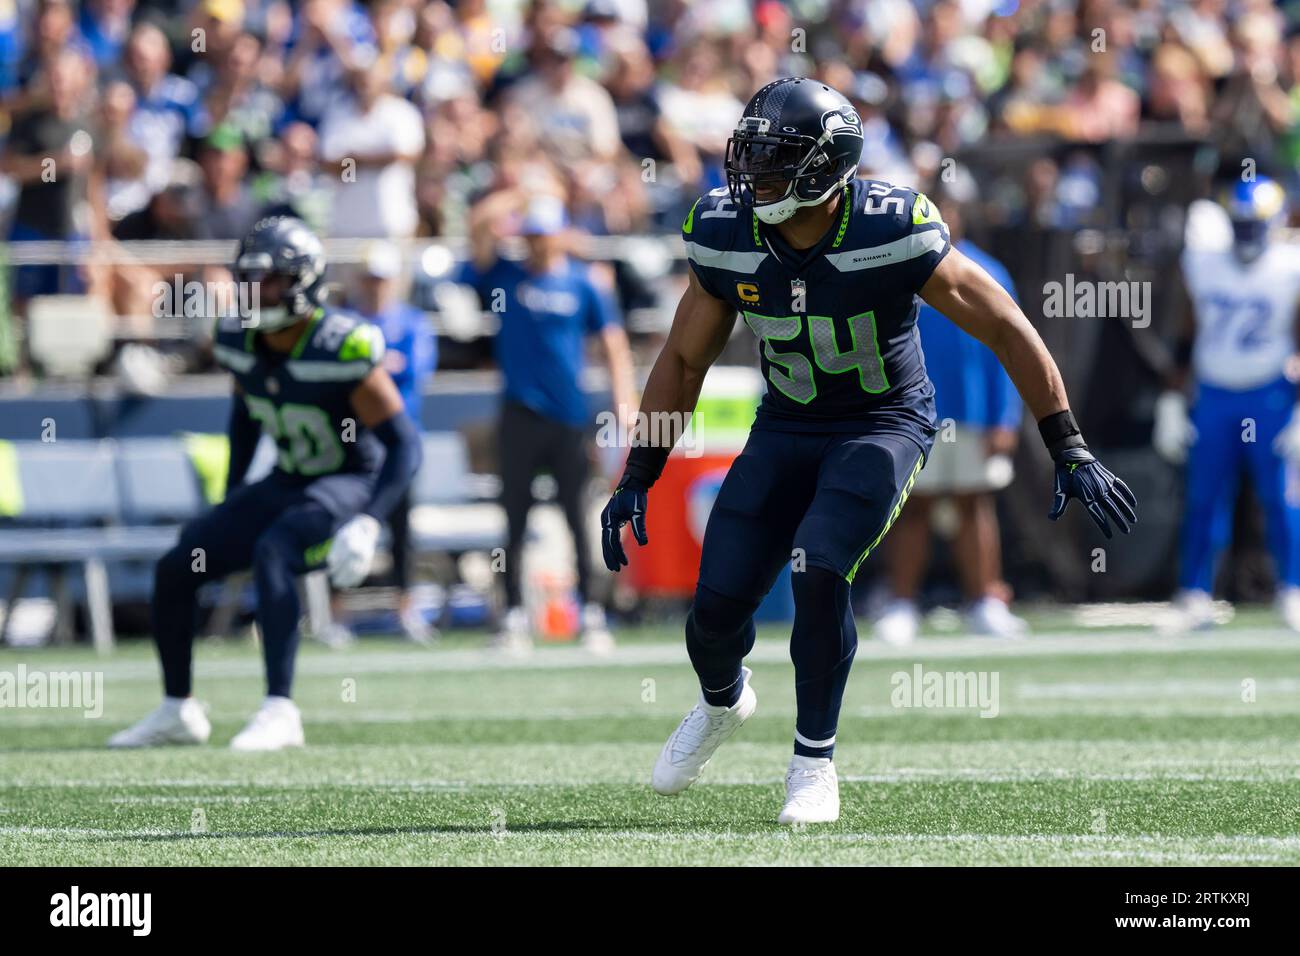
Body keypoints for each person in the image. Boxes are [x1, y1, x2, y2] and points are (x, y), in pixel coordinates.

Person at [600, 77, 1136, 824]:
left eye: (773, 161)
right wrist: (639, 471)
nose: (750, 177)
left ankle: (812, 764)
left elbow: (1005, 324)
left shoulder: (889, 227)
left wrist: (1067, 443)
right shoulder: (726, 232)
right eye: (747, 156)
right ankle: (723, 702)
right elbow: (684, 360)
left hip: (882, 421)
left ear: (825, 168)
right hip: (785, 425)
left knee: (821, 570)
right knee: (715, 610)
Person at [107, 216, 423, 751]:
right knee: (178, 564)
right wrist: (231, 497)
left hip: (348, 479)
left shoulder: (337, 345)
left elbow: (404, 445)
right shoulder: (239, 337)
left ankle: (281, 709)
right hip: (291, 478)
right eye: (250, 279)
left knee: (275, 547)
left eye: (271, 279)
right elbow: (246, 414)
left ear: (303, 281)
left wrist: (370, 520)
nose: (257, 292)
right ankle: (177, 708)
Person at [459, 191, 635, 653]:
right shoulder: (505, 276)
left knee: (578, 516)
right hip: (518, 414)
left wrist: (625, 400)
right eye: (531, 235)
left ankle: (592, 612)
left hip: (568, 416)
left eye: (543, 235)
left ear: (560, 236)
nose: (536, 244)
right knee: (513, 519)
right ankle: (514, 615)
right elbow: (476, 227)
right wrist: (516, 189)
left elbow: (613, 343)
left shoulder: (582, 283)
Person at [874, 185, 1026, 645]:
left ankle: (984, 602)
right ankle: (901, 604)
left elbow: (1011, 348)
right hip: (913, 416)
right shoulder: (897, 267)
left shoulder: (989, 270)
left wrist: (1006, 417)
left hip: (973, 416)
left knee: (973, 505)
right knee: (912, 508)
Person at [1155, 175, 1300, 631]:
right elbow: (1187, 329)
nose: (1247, 234)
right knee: (1203, 497)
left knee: (1281, 497)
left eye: (1254, 224)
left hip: (1271, 393)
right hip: (1214, 391)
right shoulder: (1204, 262)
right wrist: (1173, 399)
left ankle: (1292, 589)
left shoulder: (1290, 265)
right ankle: (1195, 593)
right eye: (1240, 224)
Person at [349, 240, 438, 644]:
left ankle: (405, 608)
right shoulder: (347, 321)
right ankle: (333, 613)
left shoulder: (412, 322)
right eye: (369, 278)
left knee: (403, 530)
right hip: (356, 441)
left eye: (381, 279)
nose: (375, 286)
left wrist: (369, 365)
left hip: (399, 442)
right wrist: (384, 363)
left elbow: (415, 370)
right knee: (344, 524)